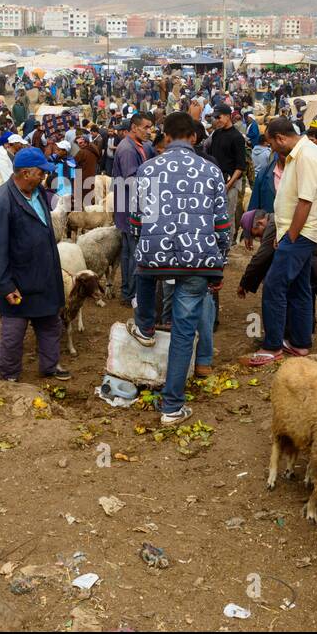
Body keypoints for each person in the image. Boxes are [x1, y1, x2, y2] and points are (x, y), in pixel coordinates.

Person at [125, 112, 230, 425]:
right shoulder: (212, 172)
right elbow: (223, 225)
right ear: (194, 138)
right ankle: (172, 407)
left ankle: (144, 326)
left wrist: (145, 245)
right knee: (184, 331)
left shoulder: (146, 170)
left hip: (154, 256)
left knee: (143, 271)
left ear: (166, 137)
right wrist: (220, 258)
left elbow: (135, 221)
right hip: (198, 260)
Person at [242, 116, 317, 367]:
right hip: (295, 232)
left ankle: (272, 347)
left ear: (280, 138)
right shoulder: (297, 155)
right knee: (300, 287)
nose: (271, 149)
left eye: (271, 144)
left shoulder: (307, 156)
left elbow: (305, 201)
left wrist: (290, 236)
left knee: (273, 285)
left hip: (301, 233)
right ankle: (300, 343)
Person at [0, 147, 69, 382]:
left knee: (50, 325)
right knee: (13, 332)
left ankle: (50, 366)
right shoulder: (2, 201)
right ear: (25, 173)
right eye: (40, 172)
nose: (44, 175)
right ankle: (9, 375)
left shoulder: (38, 191)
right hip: (19, 280)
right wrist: (5, 285)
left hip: (44, 275)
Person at [237, 207, 317, 310]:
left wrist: (245, 283)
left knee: (294, 287)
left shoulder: (274, 224)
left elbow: (261, 258)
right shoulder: (277, 219)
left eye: (256, 234)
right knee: (301, 287)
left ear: (260, 223)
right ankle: (306, 327)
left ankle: (291, 332)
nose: (258, 238)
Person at [111, 113, 154, 306]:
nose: (148, 131)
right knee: (133, 252)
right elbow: (132, 180)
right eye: (145, 127)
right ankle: (131, 293)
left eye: (150, 127)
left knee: (129, 252)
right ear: (134, 127)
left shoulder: (137, 146)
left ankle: (128, 292)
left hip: (128, 206)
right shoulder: (128, 149)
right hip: (131, 207)